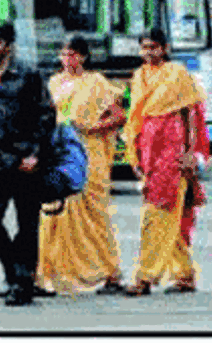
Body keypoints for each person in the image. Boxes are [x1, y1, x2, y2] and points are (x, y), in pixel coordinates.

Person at [36, 35, 128, 296]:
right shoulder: (53, 83)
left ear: (84, 57)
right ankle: (47, 276)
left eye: (73, 54)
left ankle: (111, 273)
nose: (68, 59)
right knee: (53, 216)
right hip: (60, 152)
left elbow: (118, 116)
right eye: (64, 54)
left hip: (89, 153)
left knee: (94, 217)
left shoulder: (96, 82)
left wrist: (91, 127)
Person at [0, 19, 56, 306]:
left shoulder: (29, 75)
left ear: (8, 45)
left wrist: (35, 154)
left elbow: (47, 116)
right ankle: (14, 273)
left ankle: (23, 284)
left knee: (27, 225)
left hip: (26, 160)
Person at [122, 28, 210, 296]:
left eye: (154, 47)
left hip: (173, 153)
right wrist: (134, 154)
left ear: (165, 48)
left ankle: (144, 277)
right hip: (149, 151)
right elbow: (135, 118)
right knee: (165, 216)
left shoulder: (177, 74)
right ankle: (184, 274)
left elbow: (192, 116)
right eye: (144, 48)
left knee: (157, 214)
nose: (149, 52)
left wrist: (191, 153)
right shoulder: (139, 76)